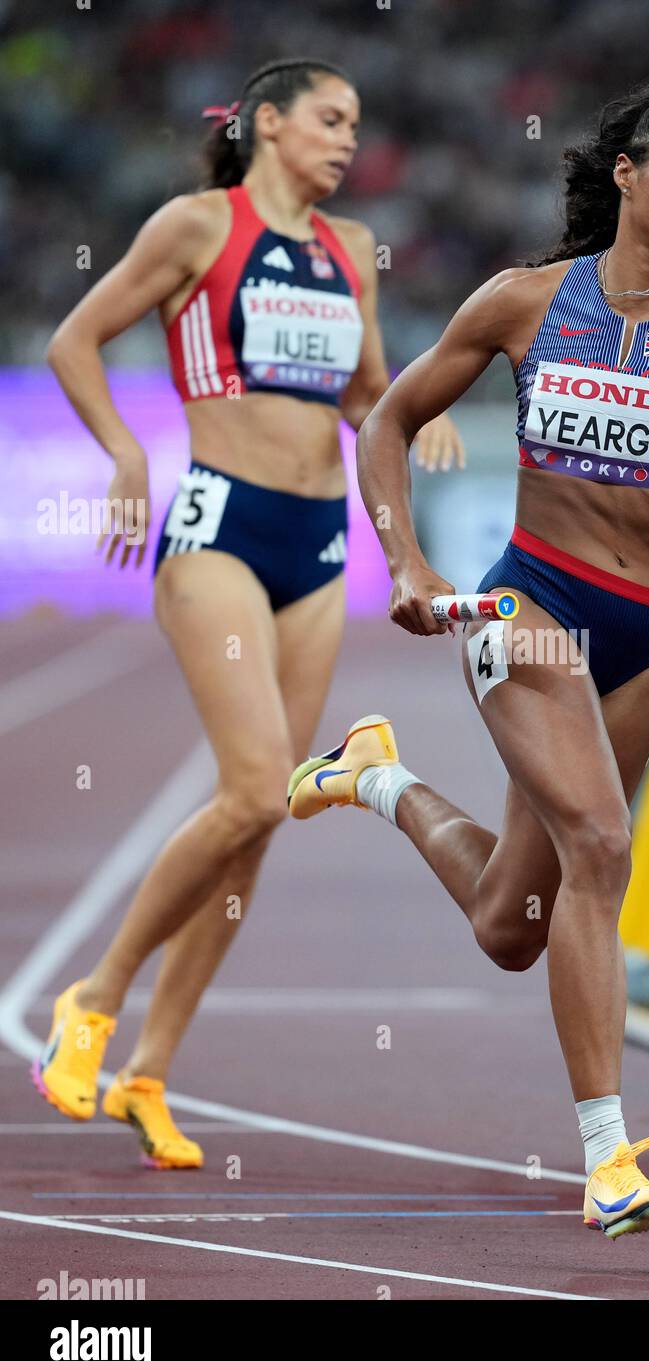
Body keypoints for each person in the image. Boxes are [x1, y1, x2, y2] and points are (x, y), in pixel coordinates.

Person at [288, 69, 649, 1237]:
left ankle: (373, 775)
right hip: (529, 603)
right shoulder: (523, 302)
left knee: (509, 926)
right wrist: (407, 565)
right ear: (625, 175)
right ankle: (606, 1155)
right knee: (600, 842)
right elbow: (386, 422)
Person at [34, 57, 462, 1168]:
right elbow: (73, 341)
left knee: (262, 813)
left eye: (357, 125)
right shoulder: (193, 226)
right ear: (267, 123)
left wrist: (415, 413)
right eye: (328, 119)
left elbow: (366, 393)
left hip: (317, 547)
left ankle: (149, 1071)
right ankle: (92, 996)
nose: (346, 140)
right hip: (218, 528)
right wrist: (126, 453)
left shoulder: (349, 254)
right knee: (249, 782)